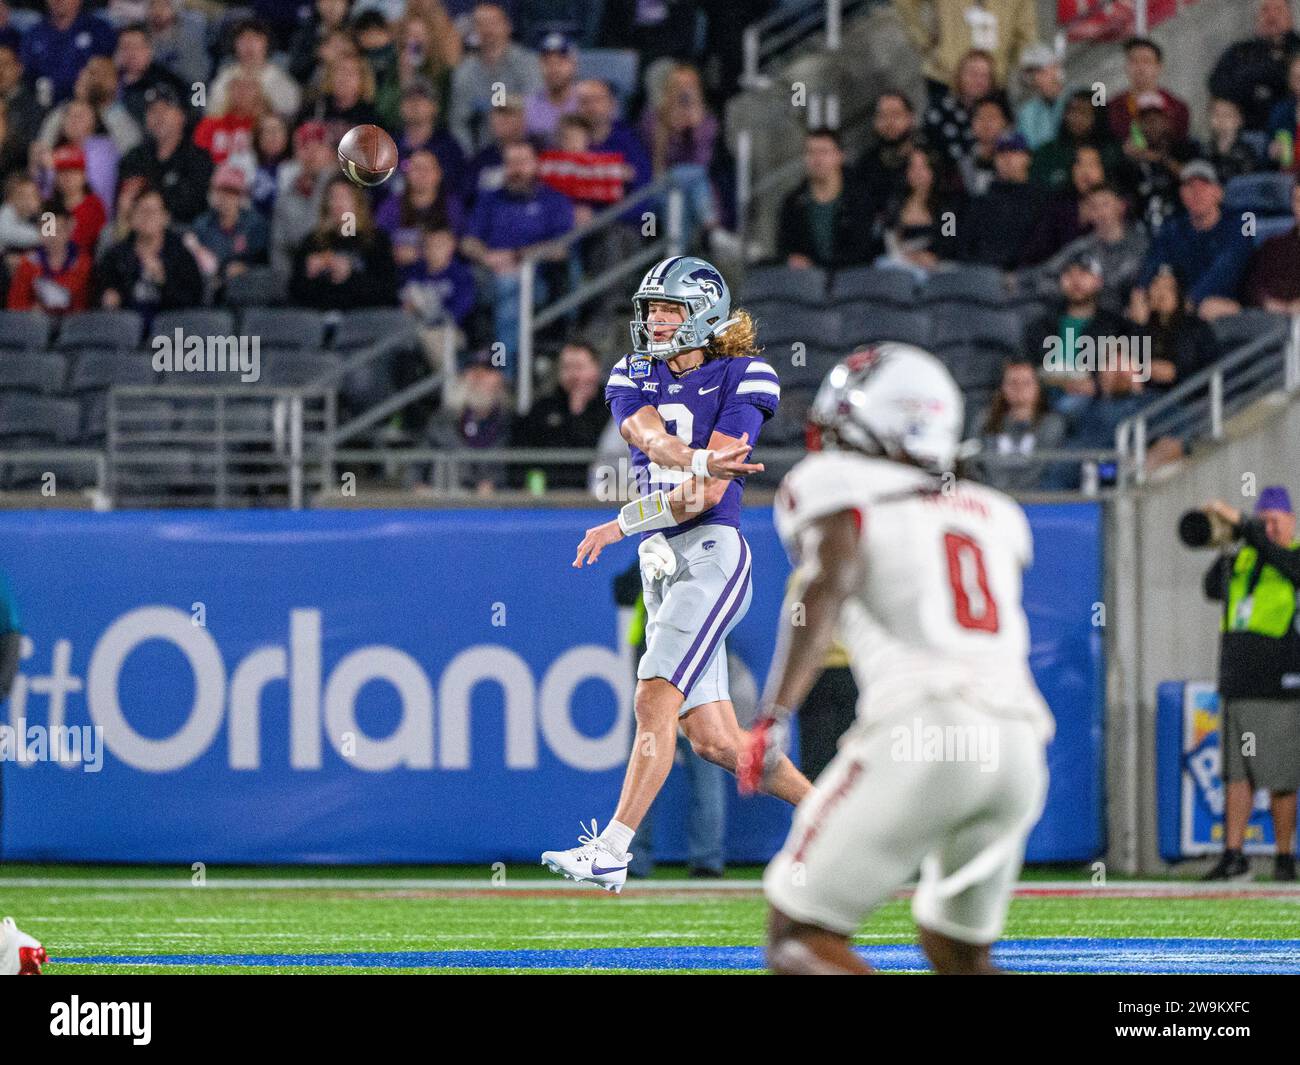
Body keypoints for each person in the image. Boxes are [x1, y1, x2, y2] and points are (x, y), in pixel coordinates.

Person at [740, 342, 1053, 974]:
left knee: (797, 936)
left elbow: (828, 581)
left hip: (925, 725)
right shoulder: (994, 511)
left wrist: (773, 713)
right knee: (957, 951)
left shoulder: (833, 484)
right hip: (1019, 745)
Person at [540, 256, 812, 893]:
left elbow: (707, 499)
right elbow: (651, 436)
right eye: (651, 309)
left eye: (669, 310)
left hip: (712, 556)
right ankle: (837, 816)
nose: (655, 322)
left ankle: (612, 849)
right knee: (717, 742)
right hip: (661, 562)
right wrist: (690, 461)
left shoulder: (746, 374)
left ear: (705, 316)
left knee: (652, 694)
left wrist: (620, 522)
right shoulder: (632, 373)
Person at [1201, 487, 1300, 882]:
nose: (1269, 527)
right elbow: (1211, 589)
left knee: (1280, 776)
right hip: (1237, 681)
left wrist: (1248, 527)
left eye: (1276, 519)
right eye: (1264, 519)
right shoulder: (1246, 555)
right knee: (1237, 777)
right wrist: (1227, 543)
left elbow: (1291, 569)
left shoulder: (1292, 554)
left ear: (1291, 521)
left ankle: (1284, 857)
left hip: (1277, 683)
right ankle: (1234, 853)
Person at [460, 139, 573, 371]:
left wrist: (517, 256)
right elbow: (468, 242)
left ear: (536, 165)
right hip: (486, 273)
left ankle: (505, 374)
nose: (516, 169)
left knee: (510, 284)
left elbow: (560, 249)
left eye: (522, 162)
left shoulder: (555, 200)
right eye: (510, 163)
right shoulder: (490, 199)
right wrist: (488, 257)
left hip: (536, 280)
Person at [1135, 160, 1254, 319]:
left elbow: (1226, 268)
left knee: (1209, 308)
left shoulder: (1243, 222)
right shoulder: (1172, 227)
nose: (1197, 193)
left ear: (1218, 192)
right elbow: (1154, 261)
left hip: (1227, 303)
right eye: (1189, 187)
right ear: (1181, 194)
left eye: (1204, 186)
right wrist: (1140, 292)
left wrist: (1190, 301)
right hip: (1180, 305)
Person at [1025, 183, 1148, 310]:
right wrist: (1071, 288)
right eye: (1094, 207)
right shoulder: (1081, 246)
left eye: (1105, 204)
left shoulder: (1142, 245)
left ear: (1121, 206)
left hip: (1125, 319)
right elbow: (1044, 273)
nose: (1101, 212)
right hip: (1083, 318)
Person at [776, 128, 880, 270]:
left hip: (852, 281)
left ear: (840, 156)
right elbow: (783, 248)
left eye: (824, 152)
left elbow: (863, 251)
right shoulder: (793, 202)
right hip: (805, 284)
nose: (817, 159)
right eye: (811, 152)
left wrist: (818, 265)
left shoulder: (859, 199)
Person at [288, 175, 398, 310]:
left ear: (357, 202)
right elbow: (294, 292)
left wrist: (350, 276)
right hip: (320, 320)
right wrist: (309, 275)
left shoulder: (376, 240)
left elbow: (387, 293)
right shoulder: (313, 241)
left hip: (362, 322)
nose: (338, 203)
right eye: (333, 197)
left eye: (344, 197)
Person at [512, 339, 608, 490]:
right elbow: (522, 454)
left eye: (579, 367)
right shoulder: (542, 408)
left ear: (596, 368)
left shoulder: (614, 408)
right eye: (567, 368)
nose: (573, 375)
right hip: (548, 500)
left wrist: (578, 413)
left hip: (598, 499)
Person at [448, 2, 540, 153]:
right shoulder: (465, 71)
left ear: (507, 26)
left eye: (493, 23)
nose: (487, 30)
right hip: (483, 151)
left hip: (524, 149)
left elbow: (535, 107)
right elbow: (459, 122)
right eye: (480, 24)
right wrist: (470, 155)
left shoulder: (528, 63)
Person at [117, 84, 213, 225]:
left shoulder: (198, 158)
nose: (158, 116)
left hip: (184, 232)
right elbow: (126, 202)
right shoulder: (135, 157)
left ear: (182, 116)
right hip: (140, 228)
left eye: (165, 109)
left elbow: (196, 205)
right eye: (152, 111)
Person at [97, 186, 203, 314]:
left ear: (165, 217)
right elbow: (100, 295)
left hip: (170, 328)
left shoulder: (180, 255)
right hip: (127, 326)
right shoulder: (115, 256)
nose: (147, 217)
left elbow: (193, 304)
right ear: (132, 218)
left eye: (153, 211)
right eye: (141, 211)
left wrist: (163, 281)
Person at [955, 130, 1047, 270]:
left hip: (1026, 277)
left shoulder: (1043, 200)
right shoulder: (980, 201)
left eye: (1014, 151)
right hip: (982, 274)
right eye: (1002, 153)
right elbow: (964, 246)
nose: (1007, 158)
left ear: (1028, 157)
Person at [970, 360, 1067, 492]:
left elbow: (1050, 470)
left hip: (1037, 502)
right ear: (1003, 387)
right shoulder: (985, 420)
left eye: (1026, 383)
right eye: (1013, 383)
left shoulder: (1052, 424)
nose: (1019, 389)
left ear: (1038, 387)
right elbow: (973, 463)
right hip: (993, 499)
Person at [895, 0, 1037, 89]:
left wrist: (1010, 65)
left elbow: (1026, 32)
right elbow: (905, 5)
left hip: (994, 80)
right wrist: (924, 40)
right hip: (946, 76)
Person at [1209, 0, 1300, 134]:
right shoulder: (1240, 52)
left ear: (1290, 15)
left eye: (1278, 10)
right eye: (1265, 10)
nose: (1272, 16)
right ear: (1257, 17)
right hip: (1249, 133)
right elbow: (1217, 84)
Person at [21, 0, 116, 106]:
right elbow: (27, 75)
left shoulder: (99, 29)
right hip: (44, 105)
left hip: (89, 104)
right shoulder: (34, 34)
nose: (59, 1)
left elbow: (107, 71)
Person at [6, 200, 92, 313]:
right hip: (36, 327)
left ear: (68, 231)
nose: (53, 237)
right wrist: (30, 312)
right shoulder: (28, 265)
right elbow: (15, 308)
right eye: (48, 231)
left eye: (58, 230)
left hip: (74, 328)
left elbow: (87, 308)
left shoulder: (83, 263)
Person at [209, 17, 301, 121]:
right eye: (242, 39)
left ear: (266, 43)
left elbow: (290, 110)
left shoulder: (279, 79)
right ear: (235, 45)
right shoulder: (226, 77)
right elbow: (212, 111)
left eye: (255, 38)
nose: (248, 44)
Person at [1107, 37, 1190, 146]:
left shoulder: (1177, 108)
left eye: (1147, 61)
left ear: (1159, 67)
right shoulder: (1113, 107)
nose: (1140, 68)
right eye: (1134, 61)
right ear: (1126, 66)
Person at [1242, 178, 1300, 312]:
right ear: (1292, 205)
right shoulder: (1272, 246)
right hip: (1273, 321)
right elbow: (1252, 287)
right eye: (1298, 201)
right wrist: (1269, 303)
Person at [853, 91, 916, 213]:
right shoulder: (865, 165)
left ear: (910, 118)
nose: (890, 123)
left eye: (896, 115)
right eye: (883, 116)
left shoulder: (928, 160)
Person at [524, 31, 579, 143]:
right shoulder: (527, 106)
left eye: (560, 62)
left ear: (574, 65)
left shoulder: (587, 102)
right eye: (547, 62)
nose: (554, 68)